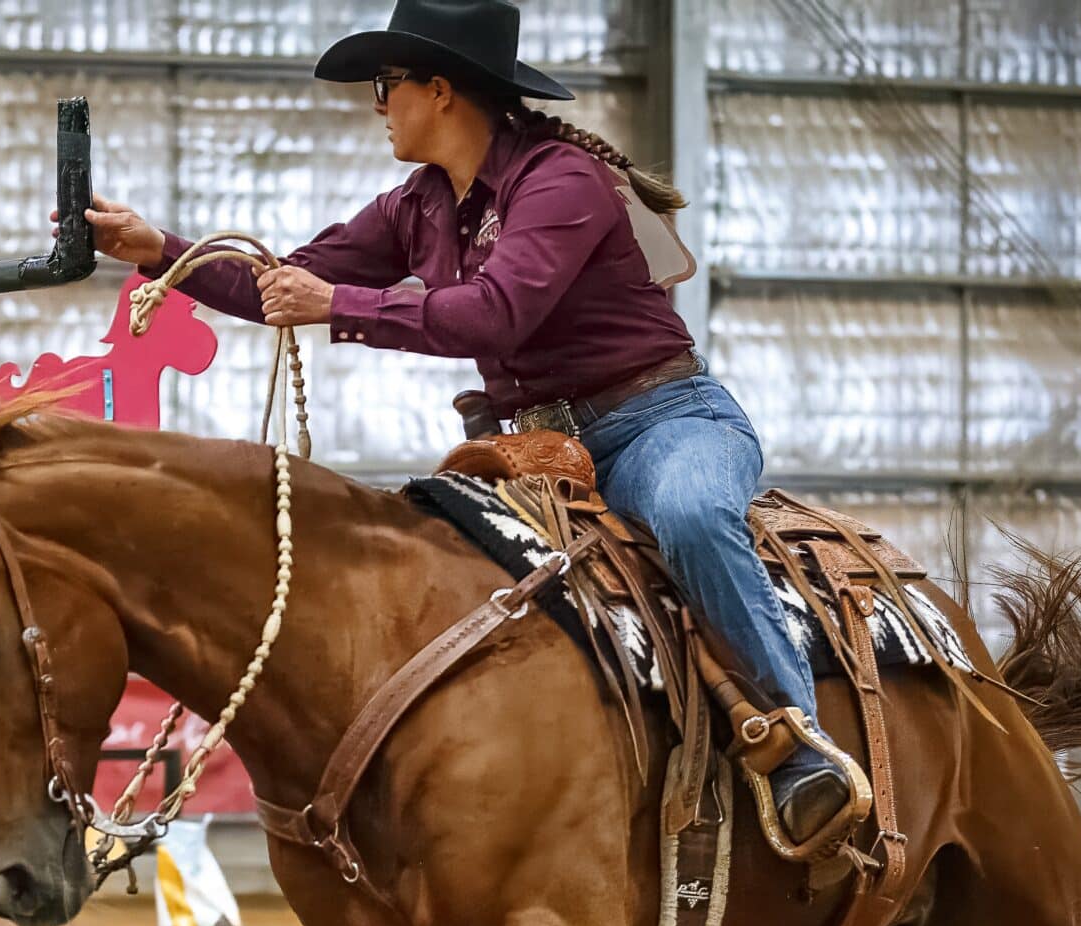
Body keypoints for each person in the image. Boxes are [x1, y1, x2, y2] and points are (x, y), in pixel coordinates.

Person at [76, 0, 855, 845]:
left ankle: (803, 750)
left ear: (441, 90)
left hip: (662, 422)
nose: (379, 104)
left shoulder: (563, 181)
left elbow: (494, 313)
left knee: (693, 515)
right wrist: (159, 250)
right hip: (537, 452)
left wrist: (338, 304)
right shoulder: (417, 207)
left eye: (387, 84)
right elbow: (284, 281)